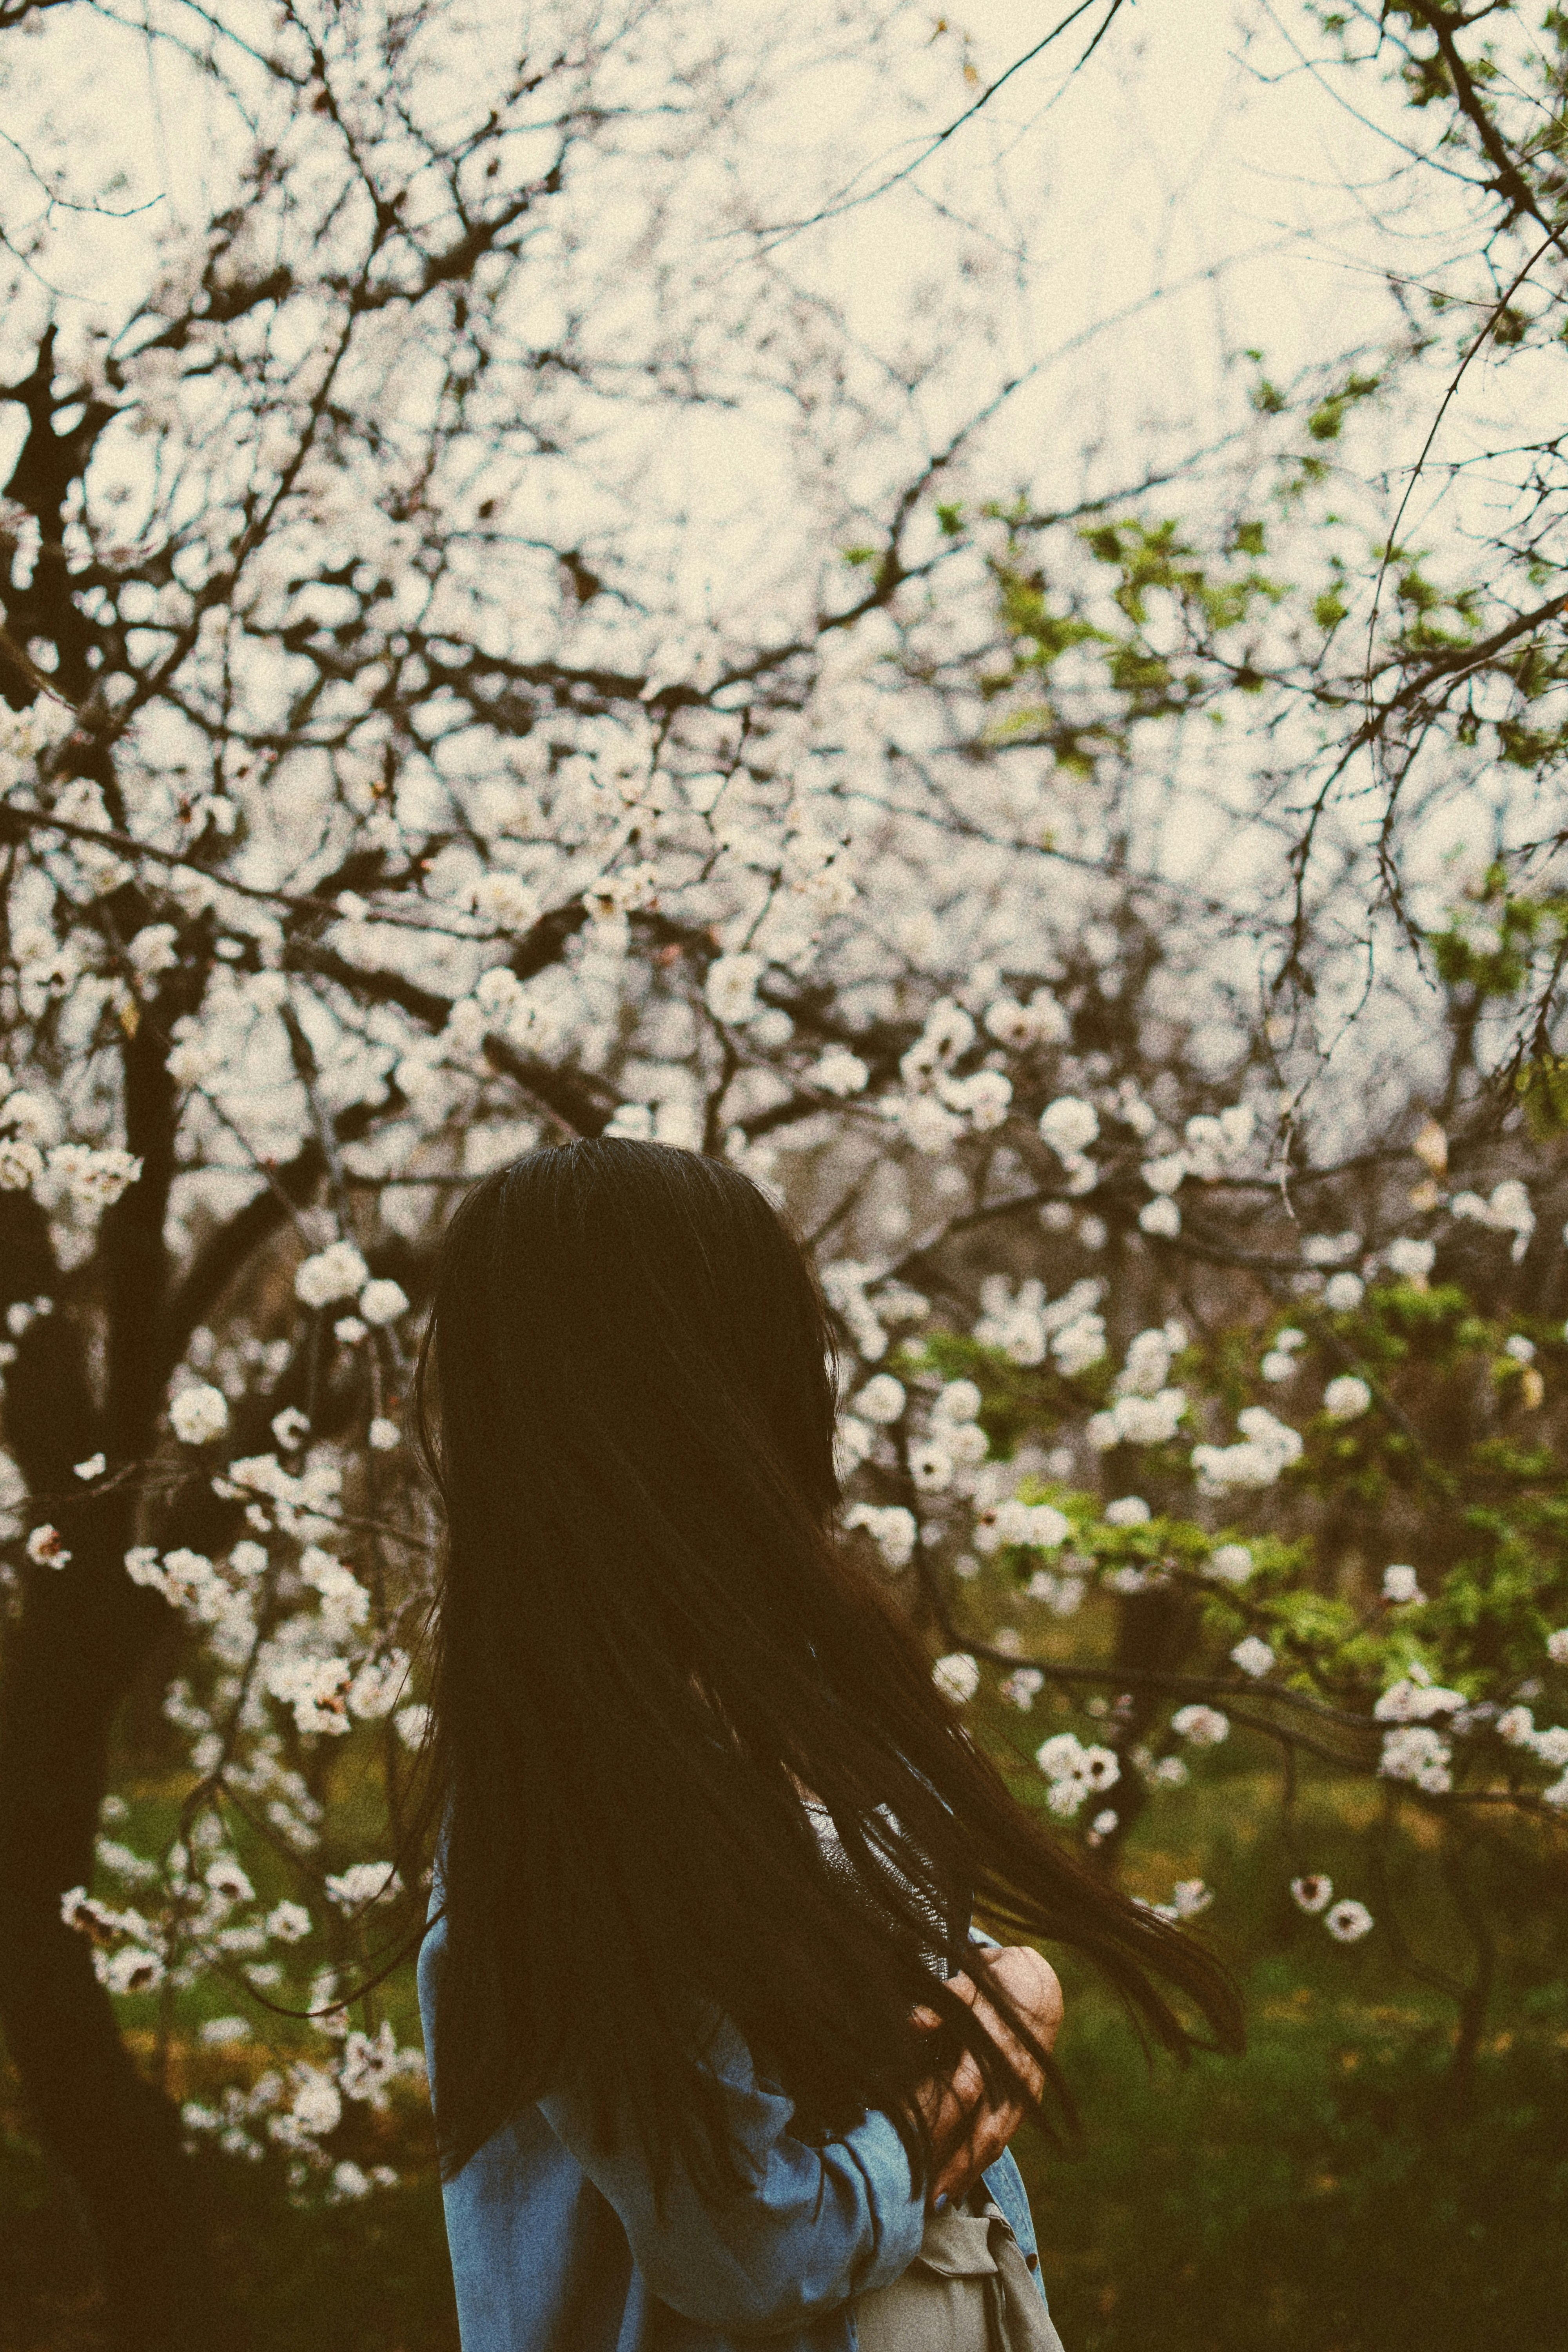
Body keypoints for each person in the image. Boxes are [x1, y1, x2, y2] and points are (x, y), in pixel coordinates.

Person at [408, 1138, 1243, 2349]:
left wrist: (1015, 1989)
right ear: (719, 1385)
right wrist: (992, 2046)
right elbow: (749, 2245)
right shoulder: (578, 1799)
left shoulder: (776, 1710)